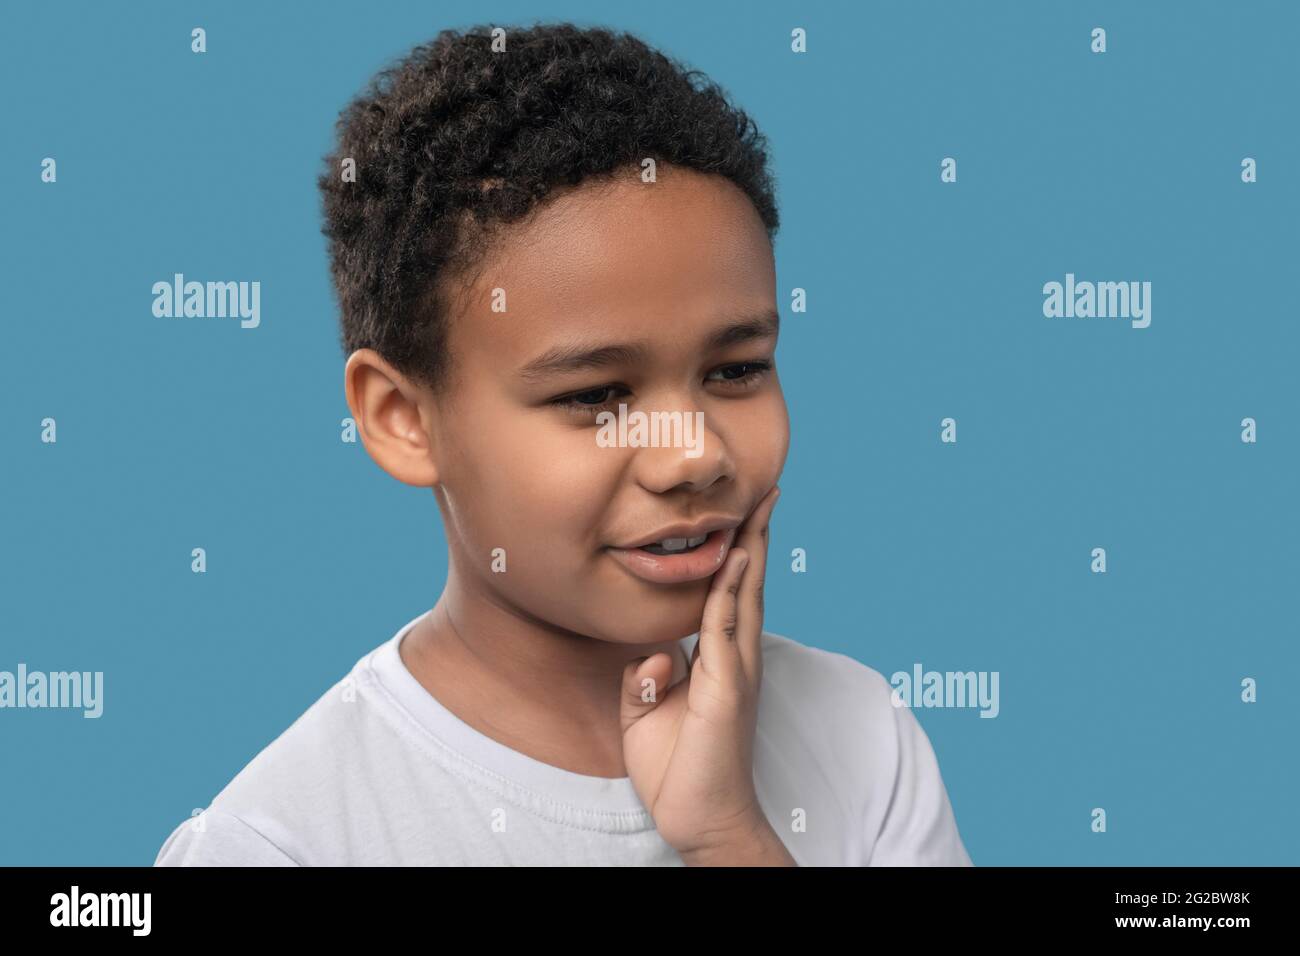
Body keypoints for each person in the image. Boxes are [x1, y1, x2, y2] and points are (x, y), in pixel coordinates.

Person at [154, 22, 972, 867]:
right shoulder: (281, 844)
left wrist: (730, 837)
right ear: (402, 417)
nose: (691, 454)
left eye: (734, 372)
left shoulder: (861, 736)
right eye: (595, 395)